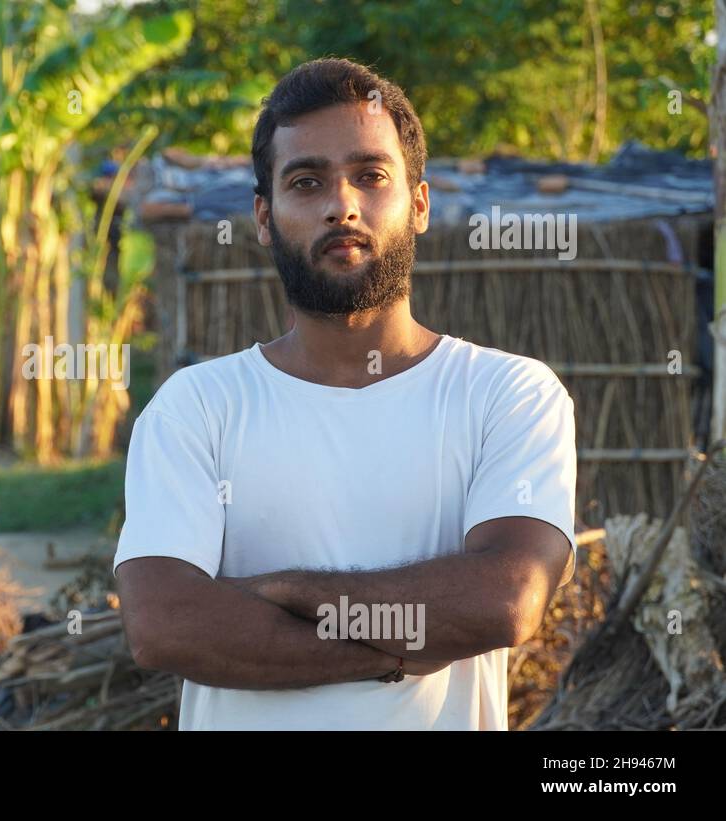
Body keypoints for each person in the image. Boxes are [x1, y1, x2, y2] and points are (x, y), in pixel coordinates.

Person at [113, 57, 577, 730]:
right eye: (307, 182)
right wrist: (398, 649)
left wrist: (282, 593)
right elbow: (164, 623)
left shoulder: (508, 395)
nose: (342, 204)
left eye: (371, 175)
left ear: (418, 204)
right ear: (264, 217)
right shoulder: (197, 407)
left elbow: (504, 601)